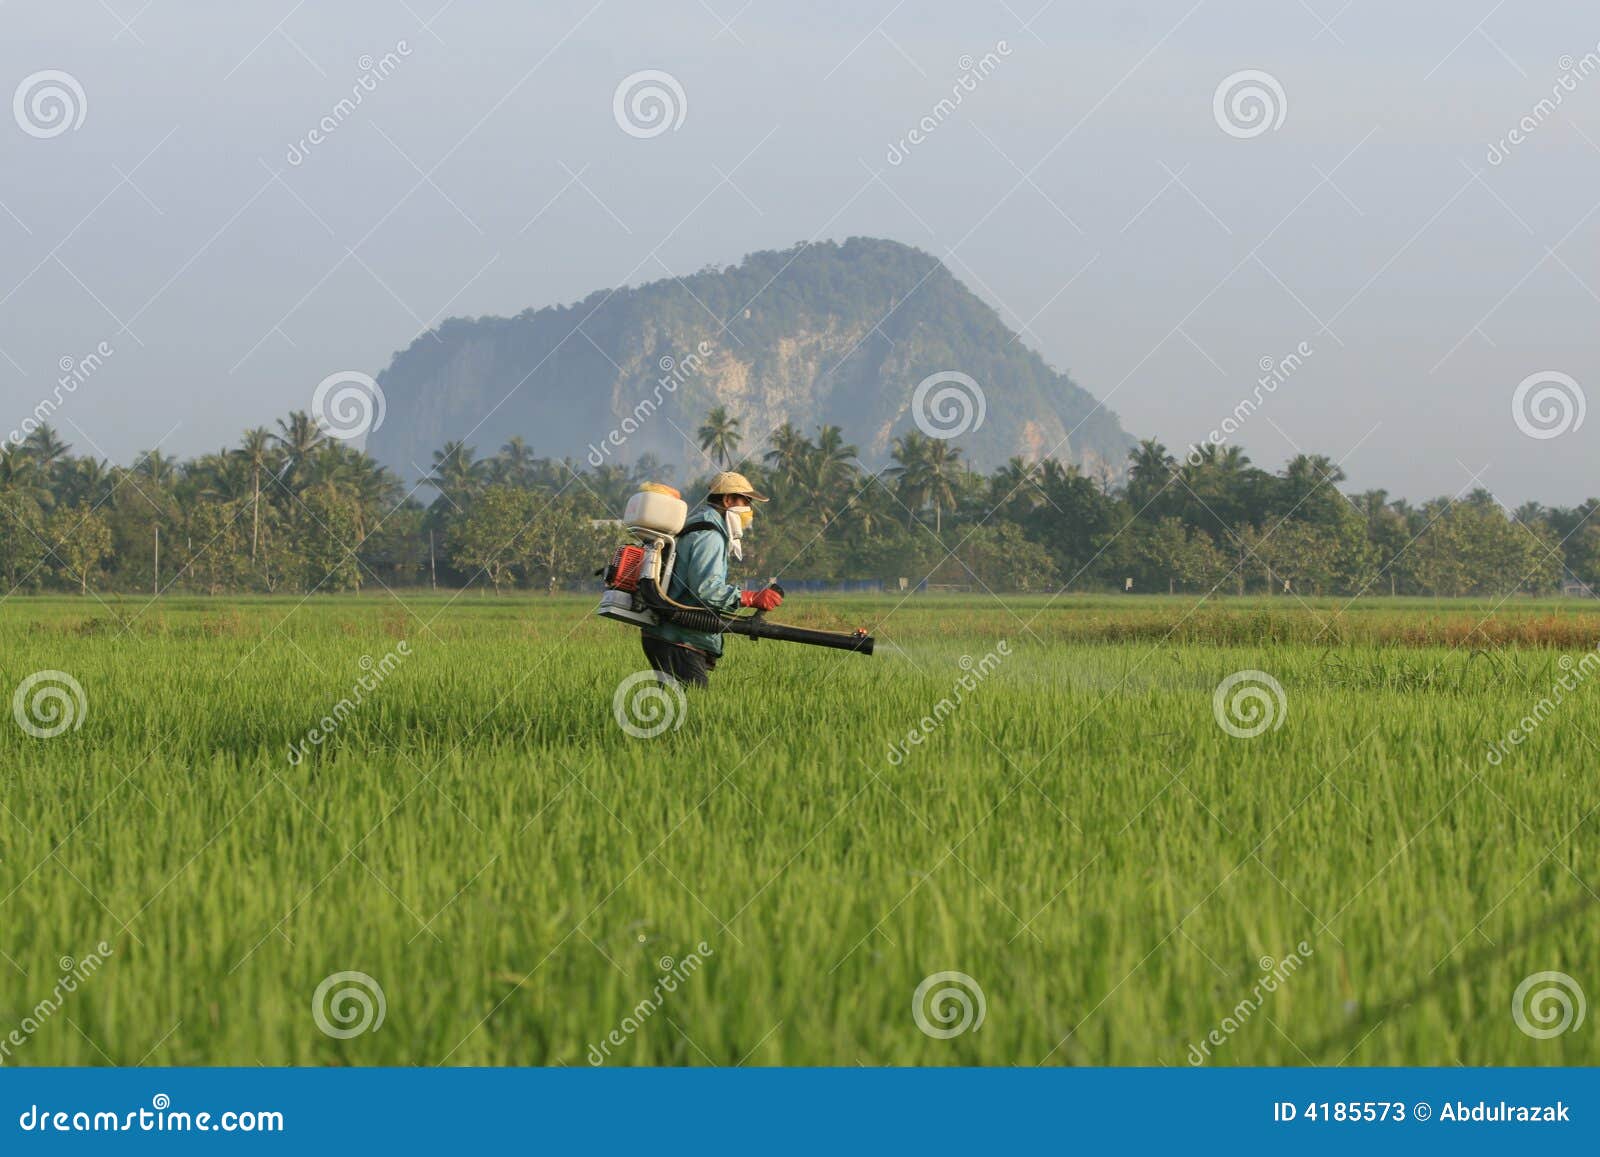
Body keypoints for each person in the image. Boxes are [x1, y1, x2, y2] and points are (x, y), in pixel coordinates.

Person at [640, 471, 783, 687]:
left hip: (670, 635)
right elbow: (706, 590)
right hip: (678, 638)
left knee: (675, 705)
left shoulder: (700, 524)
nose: (749, 509)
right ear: (727, 500)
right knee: (693, 708)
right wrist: (751, 598)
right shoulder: (710, 535)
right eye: (746, 501)